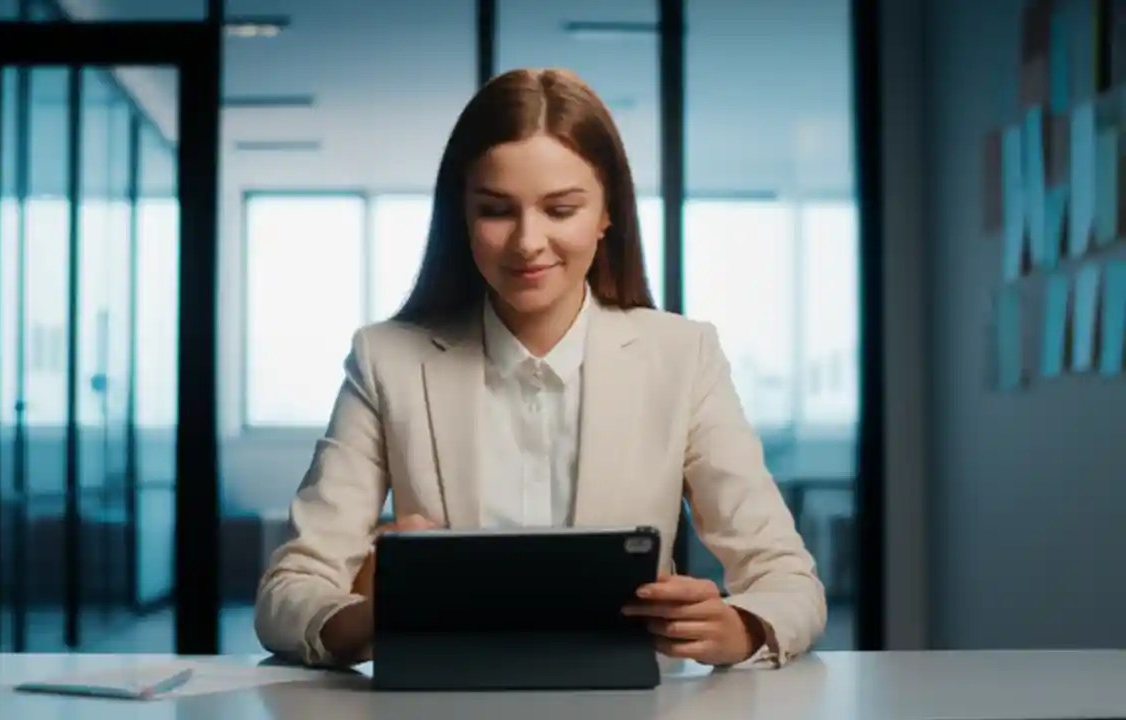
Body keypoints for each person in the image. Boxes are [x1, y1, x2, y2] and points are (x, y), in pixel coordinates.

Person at [254, 67, 825, 670]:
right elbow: (286, 595)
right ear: (462, 217)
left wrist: (742, 627)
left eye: (561, 209)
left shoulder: (683, 356)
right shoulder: (387, 360)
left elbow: (790, 581)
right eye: (497, 210)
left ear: (607, 214)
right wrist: (384, 609)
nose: (528, 242)